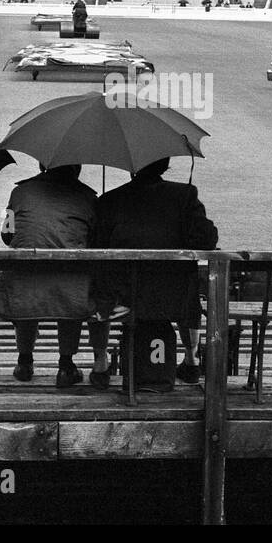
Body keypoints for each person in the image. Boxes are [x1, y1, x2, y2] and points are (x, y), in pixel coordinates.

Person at [94, 158, 219, 391]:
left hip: (124, 298)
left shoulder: (110, 200)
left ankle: (100, 364)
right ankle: (192, 360)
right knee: (189, 289)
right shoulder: (185, 195)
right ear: (164, 165)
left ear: (132, 167)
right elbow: (207, 239)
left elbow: (96, 246)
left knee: (100, 287)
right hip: (175, 298)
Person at [0, 164, 105, 388]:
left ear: (43, 166)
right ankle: (66, 365)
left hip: (24, 284)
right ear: (76, 169)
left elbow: (7, 234)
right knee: (71, 290)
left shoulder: (19, 193)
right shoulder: (88, 197)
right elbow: (95, 240)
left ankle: (24, 361)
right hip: (70, 286)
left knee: (28, 290)